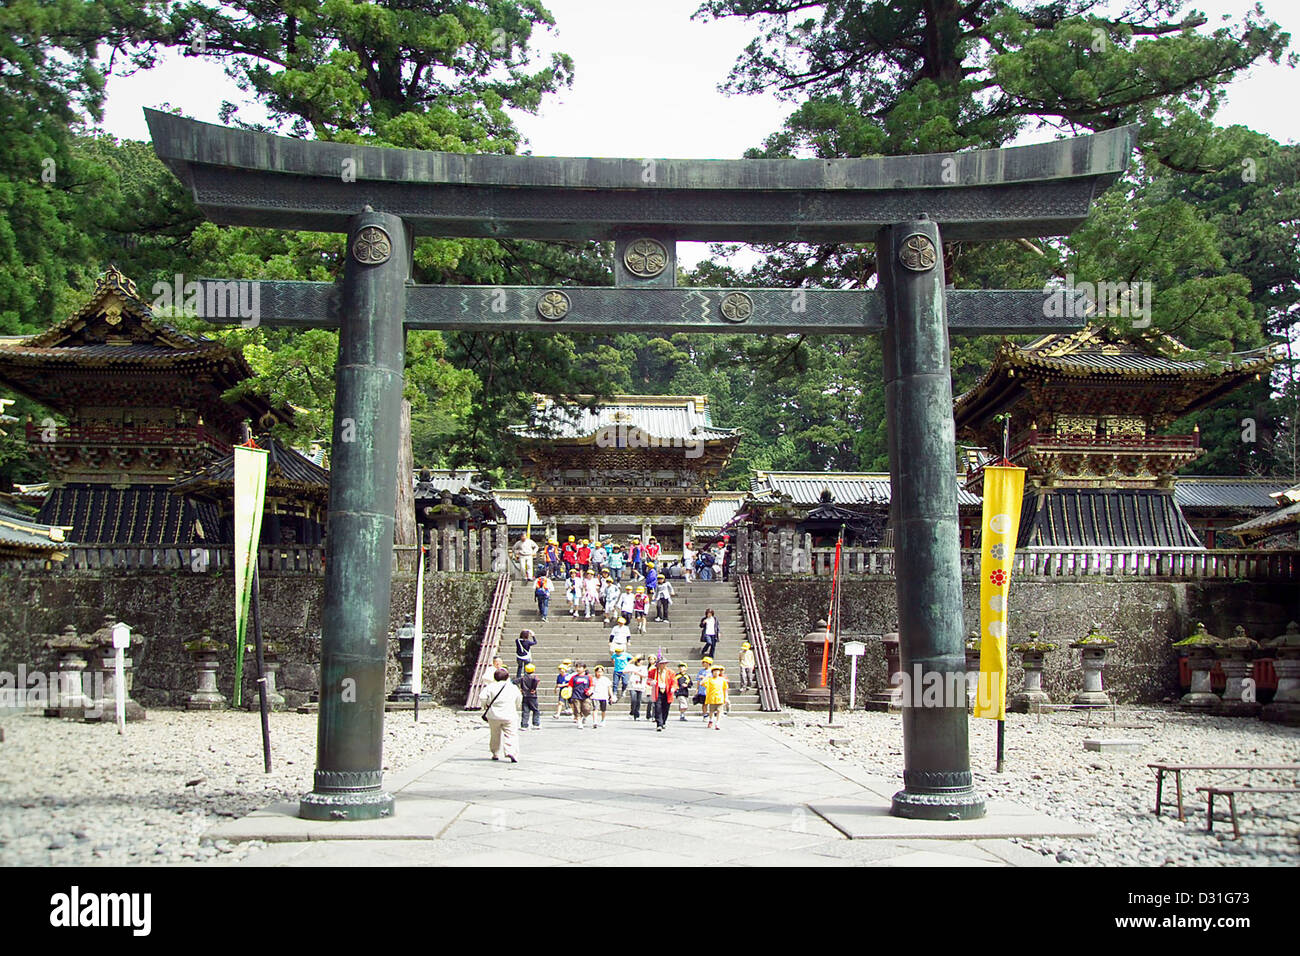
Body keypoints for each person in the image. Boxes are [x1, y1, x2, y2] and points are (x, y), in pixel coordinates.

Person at [479, 667, 521, 762]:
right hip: (509, 713)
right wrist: (516, 706)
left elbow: (482, 697)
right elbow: (519, 699)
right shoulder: (513, 687)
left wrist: (485, 705)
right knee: (511, 734)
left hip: (493, 714)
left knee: (495, 734)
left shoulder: (490, 687)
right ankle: (511, 751)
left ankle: (495, 753)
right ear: (507, 677)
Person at [646, 655, 675, 731]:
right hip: (657, 691)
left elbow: (674, 682)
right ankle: (659, 724)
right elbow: (648, 680)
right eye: (661, 663)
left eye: (664, 663)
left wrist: (673, 688)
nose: (663, 665)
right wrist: (651, 682)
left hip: (667, 691)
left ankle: (663, 721)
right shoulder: (653, 672)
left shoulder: (670, 672)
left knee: (666, 708)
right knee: (658, 707)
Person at [567, 662, 595, 729]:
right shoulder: (573, 677)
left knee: (587, 709)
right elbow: (570, 686)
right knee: (577, 709)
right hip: (576, 695)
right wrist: (568, 692)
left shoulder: (588, 677)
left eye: (580, 667)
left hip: (586, 695)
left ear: (584, 668)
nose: (578, 669)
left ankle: (584, 716)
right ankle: (579, 722)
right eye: (577, 667)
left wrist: (590, 690)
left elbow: (592, 685)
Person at [704, 664, 729, 730]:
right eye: (714, 671)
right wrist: (706, 677)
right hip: (712, 697)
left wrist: (726, 697)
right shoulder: (710, 680)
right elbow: (702, 683)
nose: (716, 672)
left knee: (719, 711)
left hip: (720, 697)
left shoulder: (722, 680)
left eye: (717, 671)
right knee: (711, 711)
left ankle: (717, 723)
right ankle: (711, 720)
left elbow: (725, 689)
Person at [518, 663, 541, 730]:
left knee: (525, 711)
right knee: (535, 710)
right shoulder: (534, 677)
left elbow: (515, 681)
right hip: (532, 696)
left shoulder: (523, 677)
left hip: (525, 695)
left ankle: (524, 725)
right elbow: (537, 680)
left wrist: (521, 689)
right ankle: (536, 723)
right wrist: (533, 688)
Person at [626, 655, 646, 720]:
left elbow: (645, 675)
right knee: (633, 700)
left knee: (638, 701)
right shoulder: (632, 666)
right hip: (633, 685)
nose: (641, 662)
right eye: (639, 661)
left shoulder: (644, 668)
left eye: (642, 661)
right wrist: (633, 659)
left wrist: (637, 673)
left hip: (640, 685)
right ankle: (632, 712)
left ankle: (637, 714)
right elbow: (625, 667)